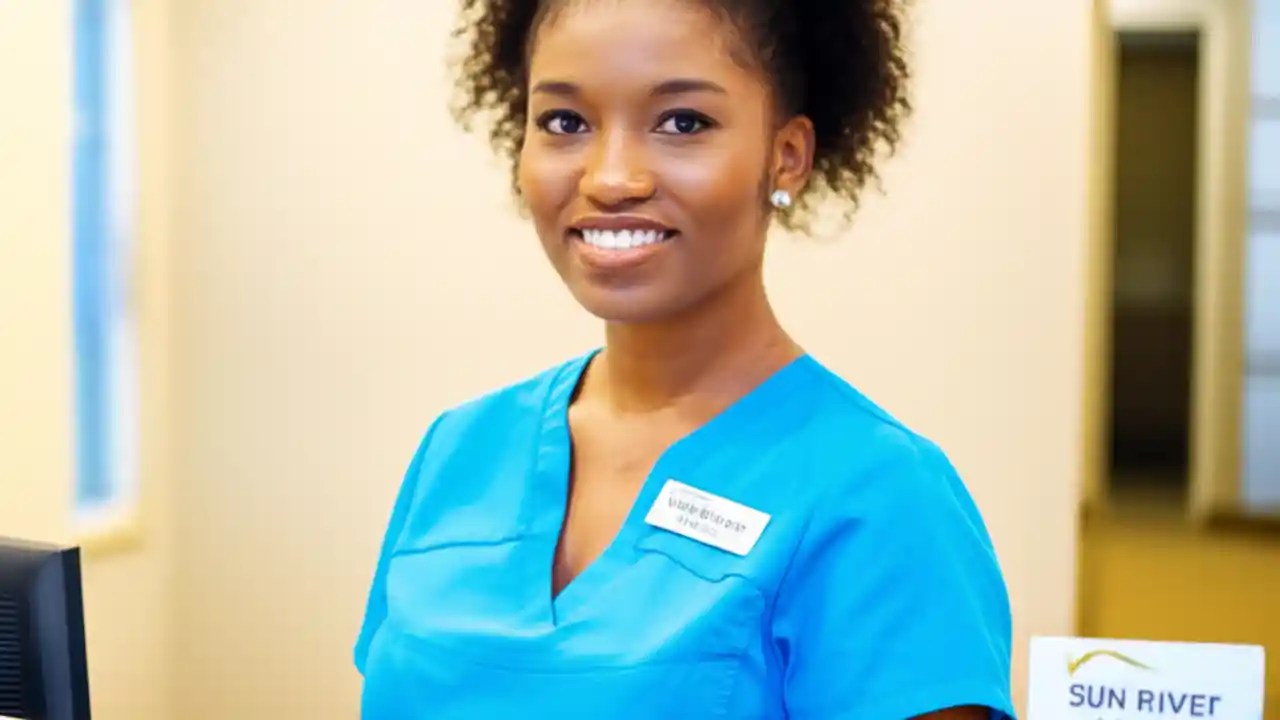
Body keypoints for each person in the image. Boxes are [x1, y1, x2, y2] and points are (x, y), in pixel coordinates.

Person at [355, 0, 1016, 717]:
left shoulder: (881, 496)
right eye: (565, 122)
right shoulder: (461, 449)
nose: (611, 179)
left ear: (786, 156)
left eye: (682, 122)